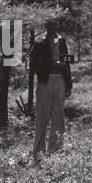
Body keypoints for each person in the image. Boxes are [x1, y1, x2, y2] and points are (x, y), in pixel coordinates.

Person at [30, 19, 73, 161]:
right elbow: (34, 63)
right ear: (46, 25)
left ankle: (56, 152)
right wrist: (50, 66)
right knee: (42, 117)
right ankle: (38, 154)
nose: (53, 26)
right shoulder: (39, 42)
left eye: (55, 23)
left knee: (58, 117)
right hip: (45, 81)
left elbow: (67, 64)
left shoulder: (62, 41)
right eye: (50, 24)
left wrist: (68, 83)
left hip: (60, 80)